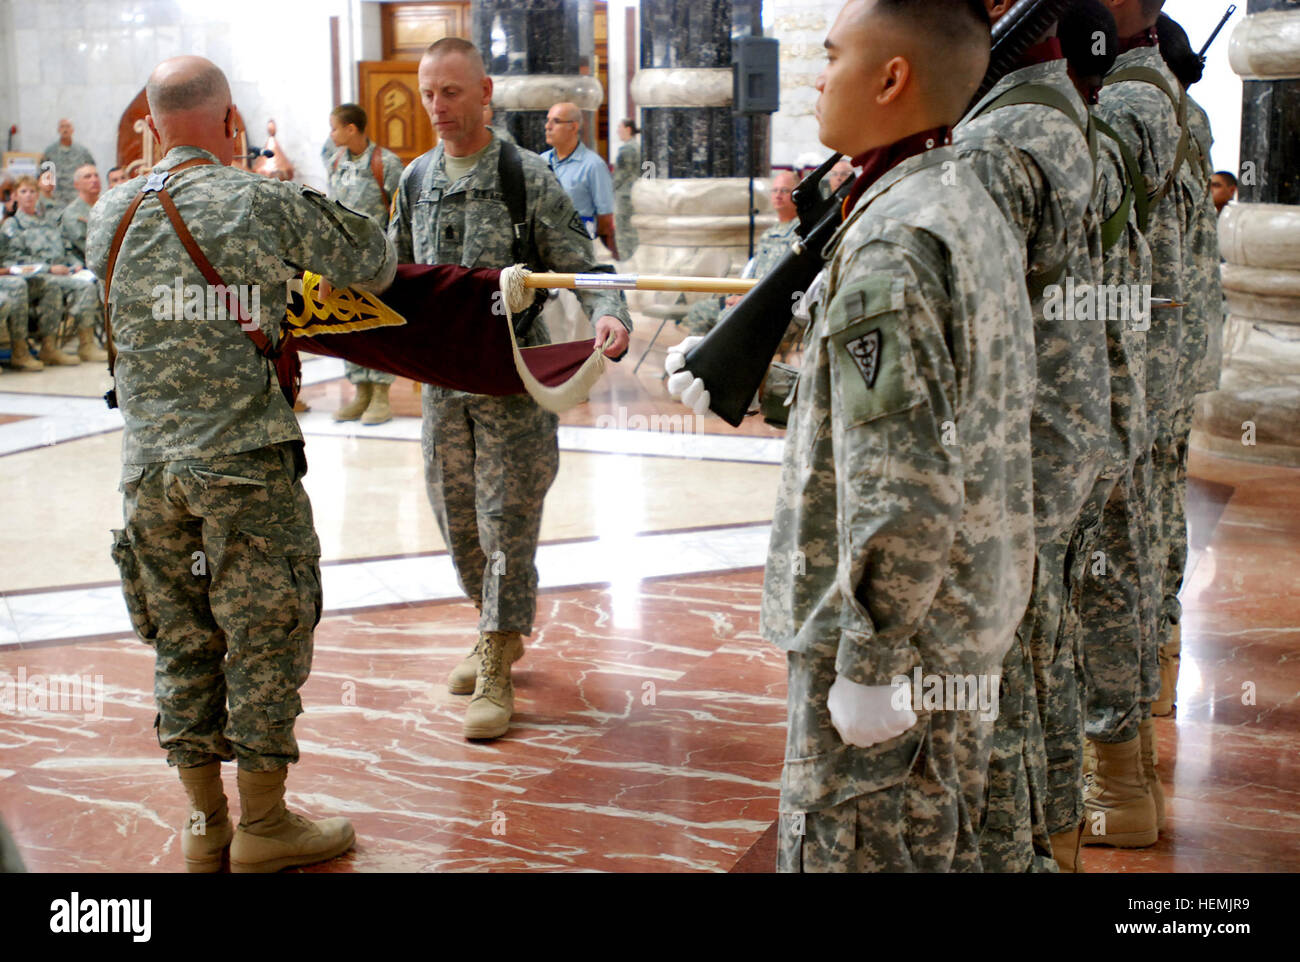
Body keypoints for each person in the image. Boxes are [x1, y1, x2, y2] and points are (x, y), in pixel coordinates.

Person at [671, 0, 1035, 872]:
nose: (817, 74)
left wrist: (871, 656)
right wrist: (776, 386)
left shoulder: (891, 246)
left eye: (831, 55)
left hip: (892, 646)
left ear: (892, 77)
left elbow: (906, 479)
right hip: (957, 620)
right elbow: (943, 414)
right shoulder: (959, 198)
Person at [85, 55, 397, 873]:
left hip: (149, 473)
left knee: (181, 641)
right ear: (230, 123)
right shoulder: (257, 198)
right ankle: (264, 824)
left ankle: (203, 824)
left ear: (150, 125)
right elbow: (373, 258)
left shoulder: (106, 214)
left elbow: (112, 331)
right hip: (245, 468)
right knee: (263, 635)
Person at [390, 38, 631, 741]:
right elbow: (391, 272)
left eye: (452, 92)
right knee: (456, 520)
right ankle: (493, 623)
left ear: (485, 90)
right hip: (445, 381)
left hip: (513, 377)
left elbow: (583, 266)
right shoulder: (414, 181)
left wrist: (608, 317)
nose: (438, 106)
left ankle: (497, 651)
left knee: (506, 521)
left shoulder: (526, 178)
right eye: (429, 92)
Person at [953, 0, 1112, 873]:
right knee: (1039, 652)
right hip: (1053, 430)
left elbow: (960, 332)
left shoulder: (995, 140)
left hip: (1008, 447)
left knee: (996, 687)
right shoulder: (1047, 107)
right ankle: (1059, 834)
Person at [1084, 0, 1188, 850]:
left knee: (1105, 574)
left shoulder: (1128, 97)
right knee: (1115, 565)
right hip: (1130, 370)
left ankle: (1118, 779)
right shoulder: (1135, 81)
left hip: (1116, 377)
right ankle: (1121, 775)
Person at [323, 103, 405, 425]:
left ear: (351, 129)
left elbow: (400, 211)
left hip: (377, 259)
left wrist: (395, 256)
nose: (331, 134)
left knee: (377, 324)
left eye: (334, 128)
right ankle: (361, 391)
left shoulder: (386, 163)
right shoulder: (335, 162)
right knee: (349, 325)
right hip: (343, 259)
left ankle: (381, 395)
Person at [682, 169, 802, 341]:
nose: (778, 195)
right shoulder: (770, 233)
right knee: (699, 311)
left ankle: (724, 365)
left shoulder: (800, 233)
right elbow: (753, 271)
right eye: (774, 190)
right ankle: (701, 364)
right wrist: (738, 295)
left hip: (775, 307)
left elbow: (786, 281)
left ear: (797, 195)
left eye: (784, 190)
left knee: (728, 318)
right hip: (750, 299)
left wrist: (748, 299)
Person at [0, 174, 99, 365]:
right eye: (24, 192)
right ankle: (28, 349)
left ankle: (81, 345)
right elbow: (13, 260)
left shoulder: (48, 222)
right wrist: (49, 268)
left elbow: (65, 247)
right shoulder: (13, 225)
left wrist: (73, 264)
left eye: (32, 192)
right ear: (15, 196)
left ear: (38, 195)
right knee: (52, 285)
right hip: (36, 275)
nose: (29, 196)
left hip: (61, 271)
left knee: (88, 284)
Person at [540, 101, 619, 259]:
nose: (547, 126)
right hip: (544, 246)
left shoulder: (593, 165)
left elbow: (605, 217)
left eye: (556, 121)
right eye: (547, 120)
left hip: (578, 250)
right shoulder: (541, 161)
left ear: (573, 127)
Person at [41, 118, 96, 211]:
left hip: (78, 197)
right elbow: (43, 175)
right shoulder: (50, 152)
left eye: (67, 126)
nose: (65, 129)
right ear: (58, 130)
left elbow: (92, 171)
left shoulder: (82, 152)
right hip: (57, 198)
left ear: (72, 130)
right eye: (62, 127)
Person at [58, 163, 101, 263]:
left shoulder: (107, 204)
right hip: (86, 264)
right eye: (87, 177)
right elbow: (86, 247)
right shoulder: (72, 213)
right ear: (77, 184)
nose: (94, 180)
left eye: (96, 176)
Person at [613, 118, 641, 259]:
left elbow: (620, 175)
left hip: (624, 196)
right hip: (633, 194)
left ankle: (626, 258)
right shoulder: (637, 147)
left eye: (620, 127)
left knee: (624, 232)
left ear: (628, 129)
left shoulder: (628, 149)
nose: (618, 131)